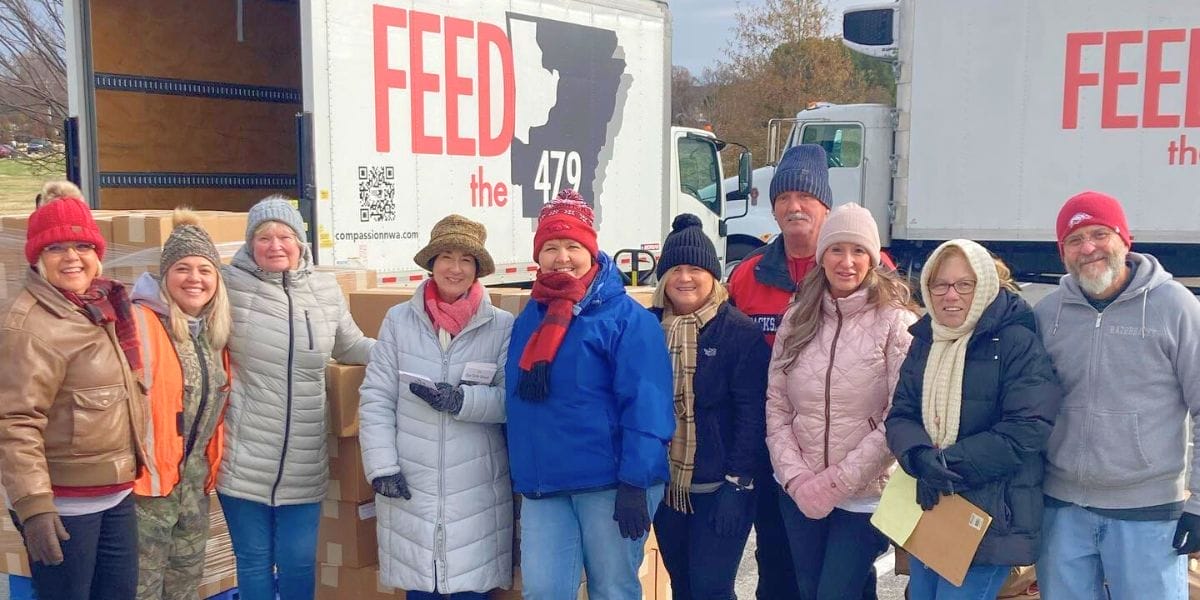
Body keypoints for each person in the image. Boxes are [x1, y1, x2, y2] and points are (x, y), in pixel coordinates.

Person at [505, 189, 674, 600]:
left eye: (572, 246)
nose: (562, 257)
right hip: (545, 483)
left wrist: (637, 480)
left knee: (612, 590)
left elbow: (647, 405)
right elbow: (520, 402)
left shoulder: (626, 319)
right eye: (550, 247)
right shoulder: (532, 317)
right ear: (537, 255)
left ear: (592, 249)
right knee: (544, 592)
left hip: (611, 483)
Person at [1033, 191, 1200, 600]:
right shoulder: (1047, 314)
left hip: (1148, 513)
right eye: (1075, 240)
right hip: (1061, 510)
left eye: (1099, 234)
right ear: (1062, 253)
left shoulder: (1175, 306)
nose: (1088, 248)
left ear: (1125, 240)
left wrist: (1199, 504)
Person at [885, 239, 1062, 599]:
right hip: (932, 505)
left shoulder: (1016, 342)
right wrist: (918, 456)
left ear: (985, 286)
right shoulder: (927, 340)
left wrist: (946, 465)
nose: (951, 295)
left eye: (964, 285)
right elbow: (901, 412)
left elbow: (1026, 428)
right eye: (940, 285)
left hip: (990, 517)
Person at [218, 195, 374, 600]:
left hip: (304, 455)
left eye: (284, 236)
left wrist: (404, 351)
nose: (274, 246)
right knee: (253, 561)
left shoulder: (324, 289)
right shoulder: (227, 284)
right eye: (263, 237)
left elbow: (350, 345)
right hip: (244, 452)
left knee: (299, 562)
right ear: (250, 244)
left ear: (300, 242)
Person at [766, 204, 918, 599]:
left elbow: (897, 414)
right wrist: (797, 478)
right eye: (836, 250)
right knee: (813, 589)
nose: (846, 262)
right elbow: (777, 406)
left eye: (858, 251)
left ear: (872, 258)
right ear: (822, 256)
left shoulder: (894, 321)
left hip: (863, 493)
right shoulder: (798, 317)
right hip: (800, 491)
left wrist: (837, 482)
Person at [359, 214, 514, 599]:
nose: (455, 268)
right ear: (432, 263)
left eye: (466, 259)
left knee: (470, 589)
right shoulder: (398, 321)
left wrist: (463, 400)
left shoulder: (502, 325)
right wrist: (382, 467)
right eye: (446, 256)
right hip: (413, 486)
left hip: (476, 492)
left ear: (477, 268)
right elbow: (376, 397)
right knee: (422, 588)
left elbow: (511, 402)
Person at [0, 191, 146, 600]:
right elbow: (15, 421)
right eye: (56, 248)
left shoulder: (96, 306)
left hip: (114, 493)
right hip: (65, 507)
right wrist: (34, 506)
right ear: (36, 257)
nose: (72, 257)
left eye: (83, 246)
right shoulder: (29, 325)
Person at [726, 143, 833, 598]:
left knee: (839, 572)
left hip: (837, 453)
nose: (793, 206)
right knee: (775, 560)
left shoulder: (860, 268)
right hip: (771, 449)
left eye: (804, 196)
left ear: (825, 204)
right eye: (782, 197)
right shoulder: (747, 276)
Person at [649, 214, 769, 600]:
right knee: (682, 586)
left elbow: (753, 414)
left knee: (711, 588)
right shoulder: (648, 327)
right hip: (667, 487)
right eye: (676, 269)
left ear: (713, 276)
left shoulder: (738, 332)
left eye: (696, 269)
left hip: (721, 486)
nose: (685, 278)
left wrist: (739, 485)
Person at [130, 210, 232, 600]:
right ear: (164, 276)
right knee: (141, 589)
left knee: (185, 587)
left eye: (205, 270)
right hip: (146, 491)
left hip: (192, 489)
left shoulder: (212, 334)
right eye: (183, 269)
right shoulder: (138, 322)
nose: (195, 279)